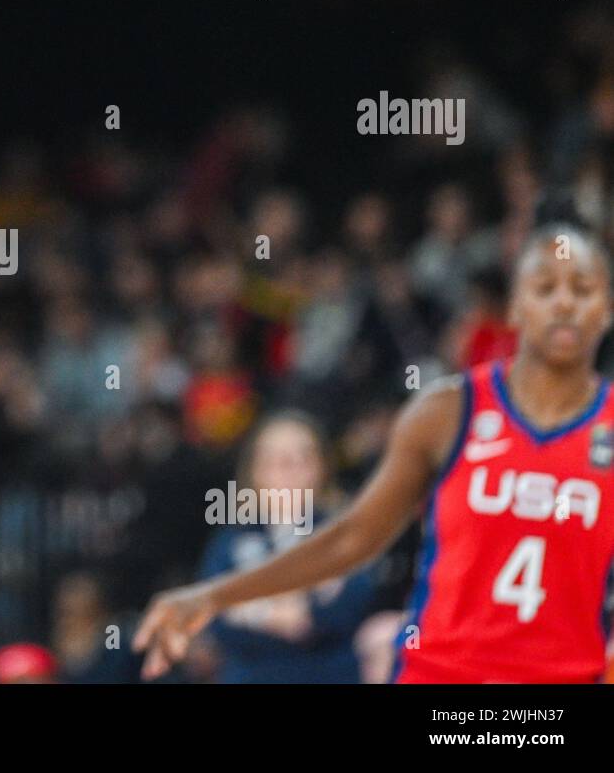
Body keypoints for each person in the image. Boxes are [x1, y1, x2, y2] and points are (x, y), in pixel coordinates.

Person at [134, 217, 614, 683]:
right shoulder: (447, 411)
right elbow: (354, 536)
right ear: (514, 307)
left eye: (583, 288)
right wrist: (212, 596)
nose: (565, 303)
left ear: (607, 307)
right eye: (545, 287)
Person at [196, 412, 375, 683]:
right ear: (255, 470)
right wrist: (279, 611)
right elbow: (214, 617)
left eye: (301, 459)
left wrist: (252, 608)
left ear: (322, 467)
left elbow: (347, 608)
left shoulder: (342, 535)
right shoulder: (231, 540)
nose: (288, 471)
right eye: (276, 461)